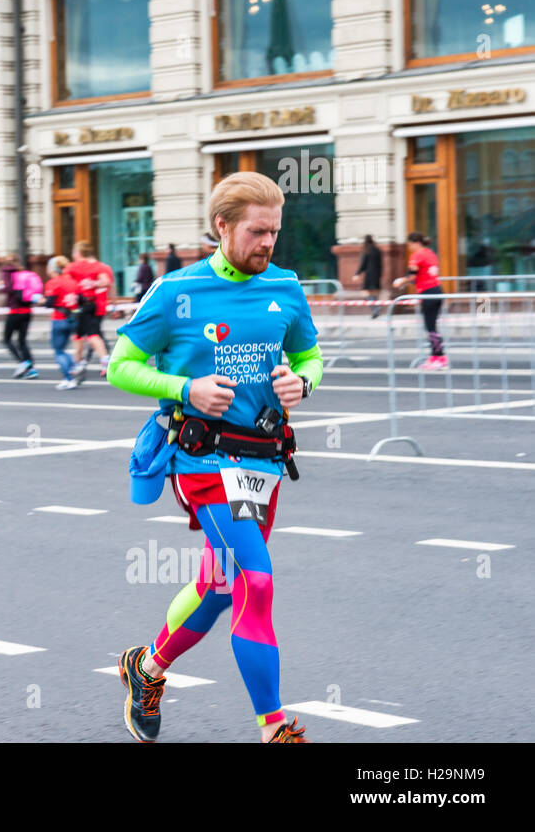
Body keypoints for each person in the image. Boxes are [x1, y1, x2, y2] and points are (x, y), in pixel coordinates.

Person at [108, 171, 323, 744]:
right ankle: (274, 728)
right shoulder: (177, 292)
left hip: (263, 462)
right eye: (257, 232)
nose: (267, 244)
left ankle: (147, 667)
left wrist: (302, 381)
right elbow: (120, 366)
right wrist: (184, 390)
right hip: (203, 461)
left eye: (275, 232)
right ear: (222, 226)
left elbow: (311, 355)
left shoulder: (286, 286)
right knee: (256, 579)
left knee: (221, 582)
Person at [392, 232, 447, 369]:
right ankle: (435, 357)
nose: (409, 248)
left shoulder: (417, 255)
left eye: (409, 244)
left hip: (428, 293)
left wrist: (400, 282)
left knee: (430, 327)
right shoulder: (430, 253)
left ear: (415, 243)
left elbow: (412, 275)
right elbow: (423, 274)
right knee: (431, 326)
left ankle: (440, 357)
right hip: (436, 291)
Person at [66, 241, 114, 379]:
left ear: (78, 253)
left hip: (83, 305)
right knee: (87, 334)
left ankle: (95, 361)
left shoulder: (73, 267)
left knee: (87, 335)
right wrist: (94, 283)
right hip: (97, 305)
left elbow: (66, 282)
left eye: (74, 252)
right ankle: (83, 362)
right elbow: (107, 282)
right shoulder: (100, 266)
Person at [41, 255, 81, 390]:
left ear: (52, 268)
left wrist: (39, 301)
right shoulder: (73, 282)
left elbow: (49, 303)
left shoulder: (53, 283)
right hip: (73, 318)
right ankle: (73, 367)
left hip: (59, 319)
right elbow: (81, 299)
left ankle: (68, 378)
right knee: (63, 349)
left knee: (59, 350)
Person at [0, 260, 42, 379]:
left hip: (15, 312)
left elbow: (8, 289)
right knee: (22, 341)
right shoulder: (25, 276)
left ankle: (23, 363)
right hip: (27, 312)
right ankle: (31, 369)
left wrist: (1, 286)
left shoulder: (8, 273)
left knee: (6, 339)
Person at [354, 235, 384, 319]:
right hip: (376, 275)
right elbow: (380, 265)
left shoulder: (366, 251)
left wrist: (357, 274)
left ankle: (375, 309)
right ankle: (376, 308)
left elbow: (363, 264)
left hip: (369, 275)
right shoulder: (377, 250)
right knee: (374, 293)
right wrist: (380, 275)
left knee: (366, 293)